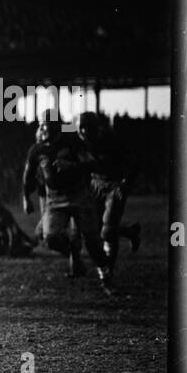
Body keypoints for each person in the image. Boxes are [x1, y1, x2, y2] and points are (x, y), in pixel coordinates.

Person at [21, 111, 113, 291]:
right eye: (40, 124)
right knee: (50, 238)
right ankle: (73, 252)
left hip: (79, 194)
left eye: (44, 124)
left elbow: (94, 164)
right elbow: (27, 176)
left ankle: (106, 277)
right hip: (55, 199)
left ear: (55, 125)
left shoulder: (73, 142)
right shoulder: (37, 149)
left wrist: (74, 166)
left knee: (92, 241)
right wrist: (26, 198)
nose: (41, 128)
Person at [77, 111, 141, 274]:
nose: (84, 133)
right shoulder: (78, 140)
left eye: (88, 129)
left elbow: (133, 163)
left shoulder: (112, 140)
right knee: (97, 228)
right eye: (81, 129)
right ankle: (129, 232)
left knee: (107, 231)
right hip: (95, 184)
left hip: (114, 185)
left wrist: (124, 184)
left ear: (96, 129)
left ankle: (108, 273)